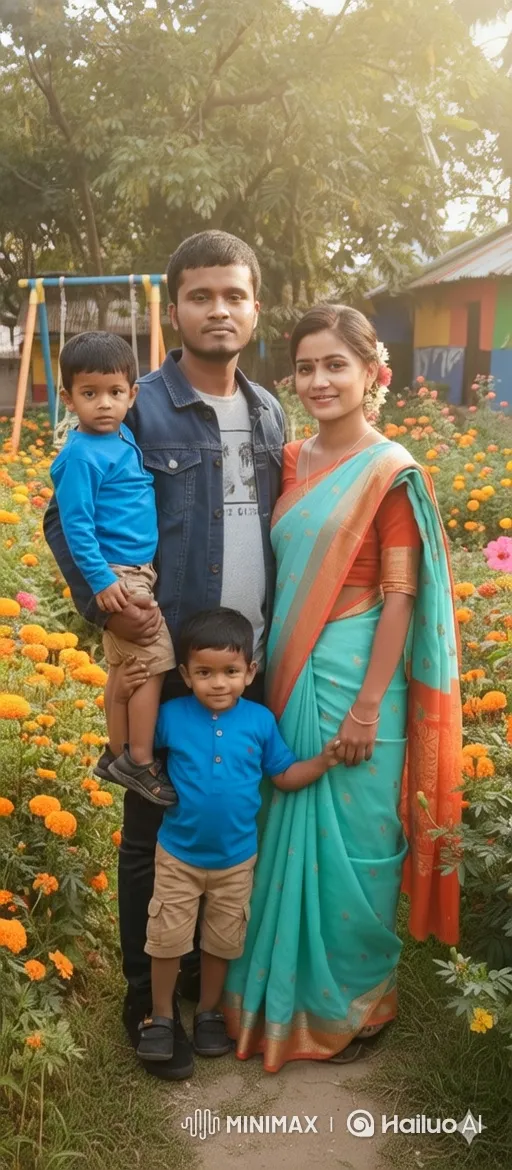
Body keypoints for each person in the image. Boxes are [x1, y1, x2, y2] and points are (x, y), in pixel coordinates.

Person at [43, 231, 286, 1081]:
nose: (220, 310)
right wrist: (109, 608)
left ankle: (206, 984)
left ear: (256, 306)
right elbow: (60, 521)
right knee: (152, 828)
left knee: (222, 819)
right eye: (201, 296)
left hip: (242, 660)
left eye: (236, 295)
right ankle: (148, 1002)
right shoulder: (131, 404)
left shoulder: (267, 410)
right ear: (173, 309)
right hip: (167, 649)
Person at [224, 304, 462, 1070]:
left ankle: (359, 1003)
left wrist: (365, 705)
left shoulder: (390, 472)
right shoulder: (290, 461)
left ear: (373, 375)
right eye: (306, 367)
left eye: (336, 365)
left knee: (360, 845)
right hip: (292, 674)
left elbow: (402, 597)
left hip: (365, 678)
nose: (319, 380)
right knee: (285, 824)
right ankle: (277, 1000)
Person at [111, 609, 341, 1066]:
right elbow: (123, 748)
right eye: (205, 673)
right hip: (177, 855)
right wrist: (118, 696)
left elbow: (285, 775)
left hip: (236, 860)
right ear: (185, 674)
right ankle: (161, 1016)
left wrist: (324, 762)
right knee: (167, 940)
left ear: (250, 671)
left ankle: (210, 1013)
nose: (218, 683)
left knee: (221, 942)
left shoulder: (259, 722)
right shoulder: (172, 716)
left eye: (231, 672)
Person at [50, 332, 177, 807]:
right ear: (68, 397)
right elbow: (75, 527)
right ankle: (138, 760)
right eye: (89, 394)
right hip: (120, 572)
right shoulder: (79, 456)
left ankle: (116, 751)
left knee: (129, 665)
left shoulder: (121, 435)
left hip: (139, 568)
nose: (103, 404)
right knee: (152, 663)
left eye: (115, 393)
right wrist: (102, 581)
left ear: (132, 395)